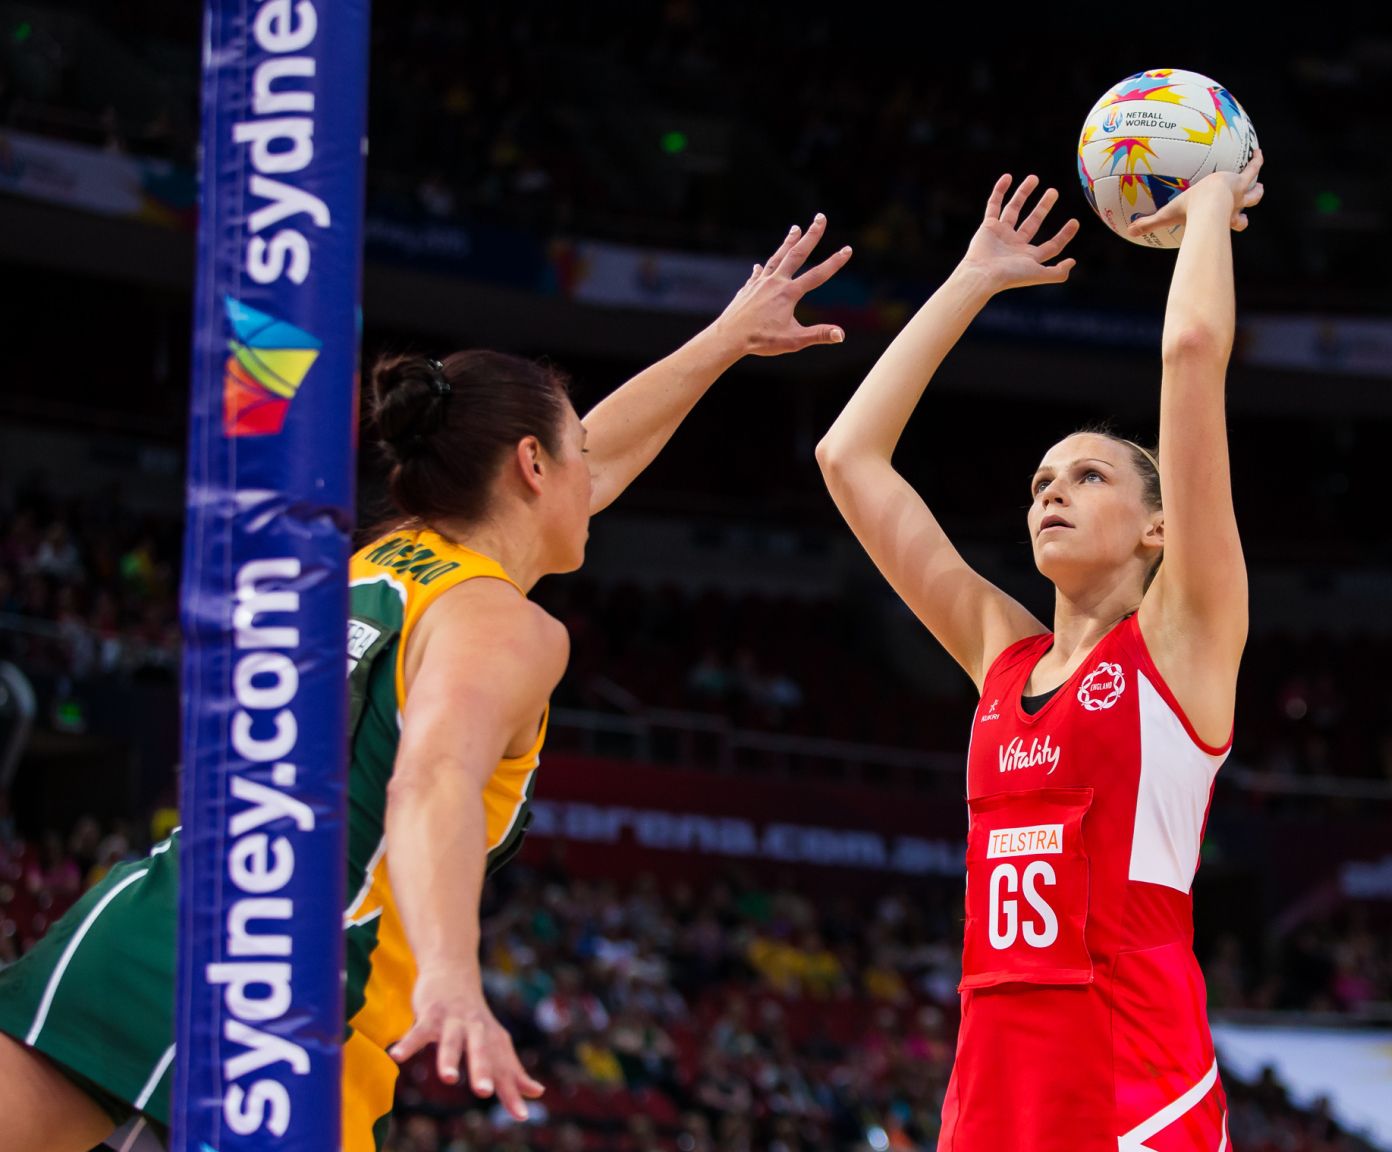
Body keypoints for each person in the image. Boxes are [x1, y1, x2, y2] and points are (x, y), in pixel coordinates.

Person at [0, 217, 852, 1152]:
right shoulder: (503, 623)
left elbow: (592, 460)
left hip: (145, 928)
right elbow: (433, 776)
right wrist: (451, 973)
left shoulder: (374, 563)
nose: (594, 471)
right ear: (532, 465)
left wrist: (727, 338)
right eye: (572, 449)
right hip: (284, 999)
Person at [815, 154, 1263, 1150]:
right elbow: (847, 458)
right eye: (1039, 483)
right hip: (990, 1096)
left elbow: (1193, 350)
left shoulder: (1182, 641)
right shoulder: (1001, 657)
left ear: (1157, 529)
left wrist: (1204, 208)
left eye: (1089, 476)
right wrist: (972, 279)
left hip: (1133, 1090)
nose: (1051, 490)